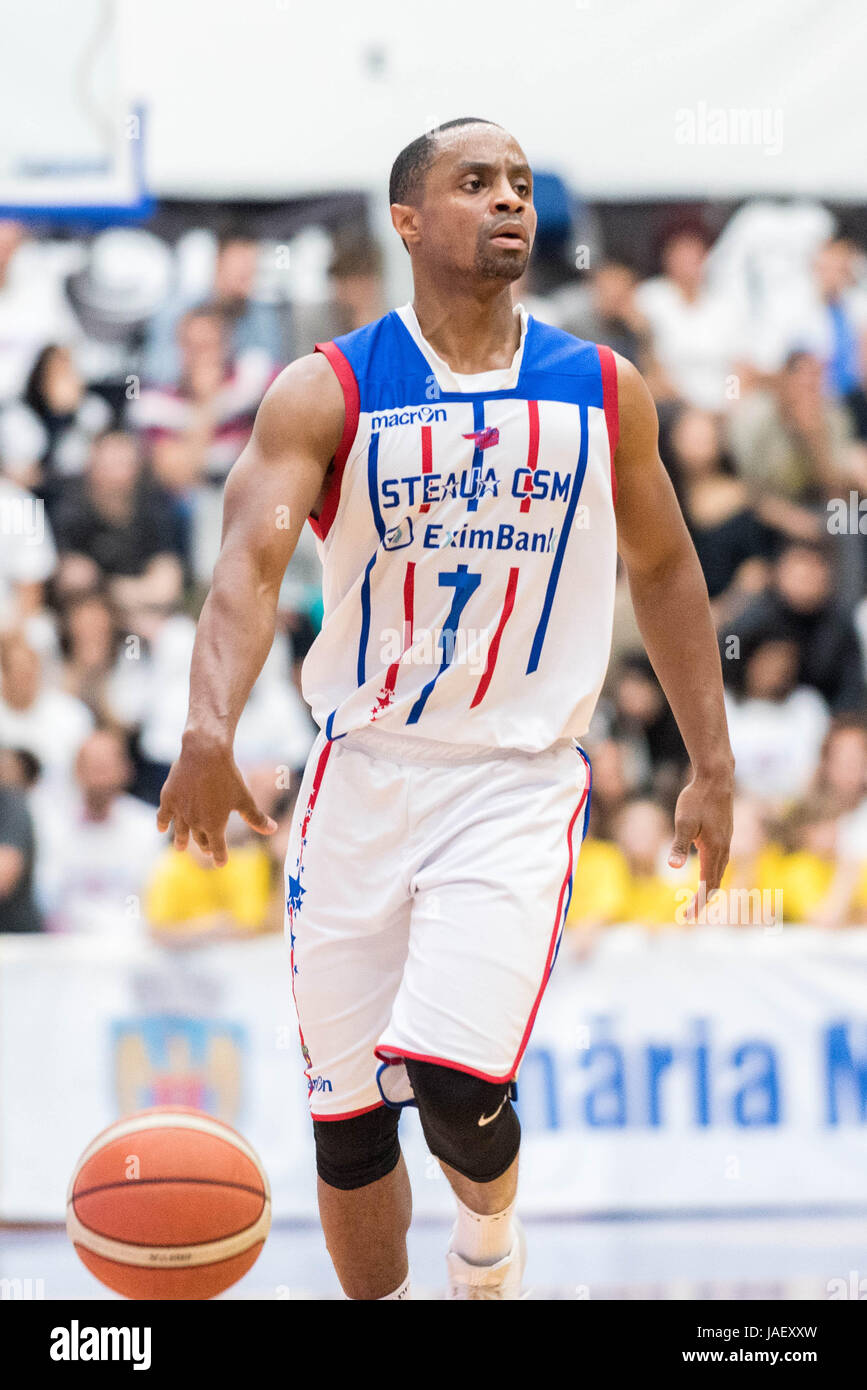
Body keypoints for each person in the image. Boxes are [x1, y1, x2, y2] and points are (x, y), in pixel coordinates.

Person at [156, 118, 734, 1301]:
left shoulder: (601, 390)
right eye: (476, 183)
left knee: (464, 1097)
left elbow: (669, 571)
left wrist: (711, 761)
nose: (509, 201)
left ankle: (489, 1246)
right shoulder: (329, 388)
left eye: (520, 184)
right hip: (360, 772)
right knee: (351, 1125)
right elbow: (246, 569)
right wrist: (208, 727)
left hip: (515, 778)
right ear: (408, 222)